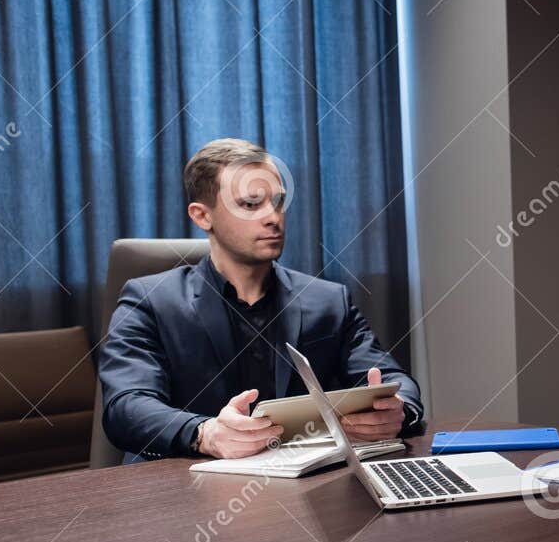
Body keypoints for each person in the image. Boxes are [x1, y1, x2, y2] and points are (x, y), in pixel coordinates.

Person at [99, 138, 424, 462]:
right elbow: (126, 407)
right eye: (251, 204)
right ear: (202, 216)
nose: (274, 217)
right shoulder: (149, 301)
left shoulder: (328, 300)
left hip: (305, 486)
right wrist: (204, 434)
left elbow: (395, 382)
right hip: (185, 489)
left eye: (278, 202)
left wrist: (399, 411)